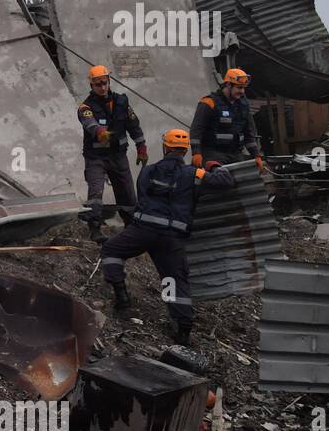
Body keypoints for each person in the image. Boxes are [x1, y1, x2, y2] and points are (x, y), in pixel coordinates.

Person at [100, 129, 235, 343]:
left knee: (111, 251)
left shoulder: (148, 171)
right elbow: (225, 182)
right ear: (184, 150)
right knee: (172, 279)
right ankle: (183, 328)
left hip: (142, 231)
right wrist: (213, 165)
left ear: (165, 147)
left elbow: (141, 196)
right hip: (171, 238)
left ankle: (122, 297)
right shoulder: (195, 174)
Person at [77, 64, 147, 243]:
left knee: (128, 195)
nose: (102, 87)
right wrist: (99, 131)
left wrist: (141, 147)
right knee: (95, 193)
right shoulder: (86, 107)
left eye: (105, 83)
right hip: (96, 158)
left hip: (118, 156)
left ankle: (131, 229)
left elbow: (133, 125)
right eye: (98, 84)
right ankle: (95, 230)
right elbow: (88, 122)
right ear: (92, 85)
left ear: (109, 82)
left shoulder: (121, 102)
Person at [190, 68, 264, 171]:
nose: (242, 91)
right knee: (219, 181)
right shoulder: (209, 103)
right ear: (229, 85)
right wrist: (196, 152)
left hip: (236, 154)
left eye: (243, 88)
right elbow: (196, 130)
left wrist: (256, 155)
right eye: (239, 88)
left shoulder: (243, 105)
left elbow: (248, 132)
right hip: (213, 154)